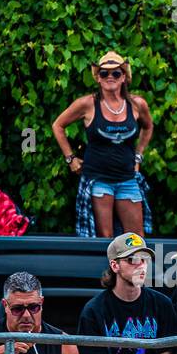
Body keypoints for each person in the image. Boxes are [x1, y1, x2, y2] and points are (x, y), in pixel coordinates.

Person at [51, 51, 155, 238]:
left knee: (136, 239)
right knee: (104, 239)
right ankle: (108, 268)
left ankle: (138, 268)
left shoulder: (137, 104)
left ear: (124, 77)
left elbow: (148, 127)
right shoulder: (88, 104)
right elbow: (58, 125)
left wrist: (138, 156)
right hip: (98, 180)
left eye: (115, 73)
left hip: (127, 179)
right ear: (97, 78)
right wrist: (71, 158)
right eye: (104, 73)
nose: (110, 77)